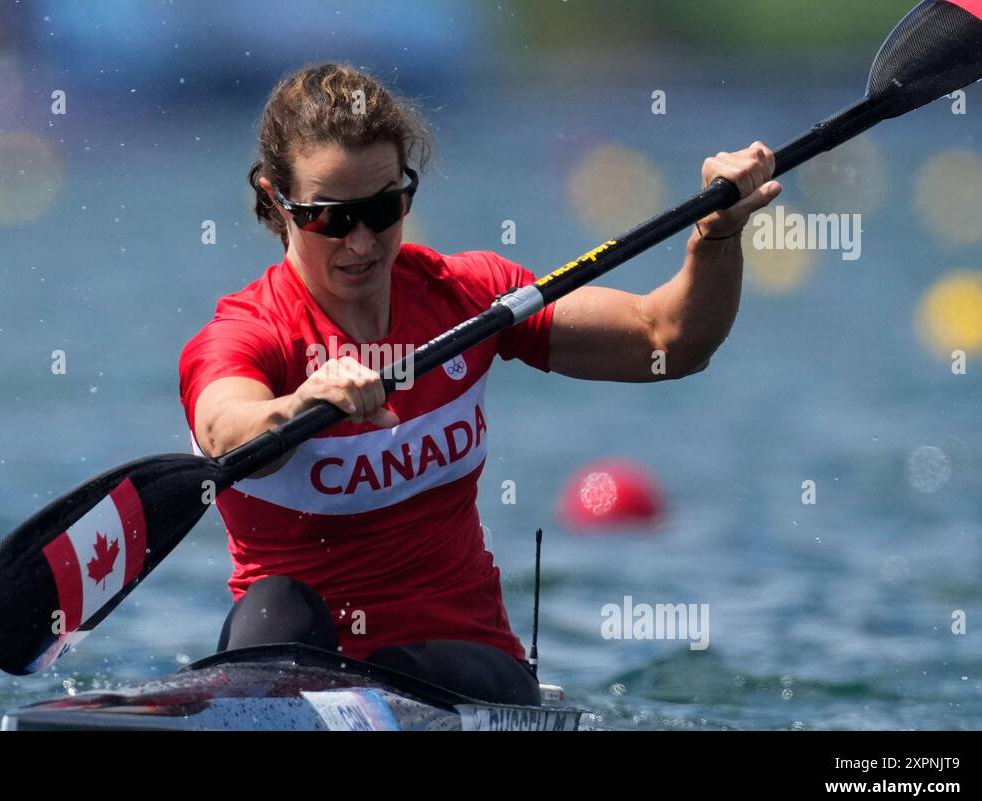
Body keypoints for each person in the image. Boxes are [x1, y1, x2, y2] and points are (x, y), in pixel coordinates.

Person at [178, 63, 780, 705]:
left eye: (382, 208)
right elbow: (223, 426)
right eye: (330, 217)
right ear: (278, 202)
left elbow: (667, 340)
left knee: (444, 672)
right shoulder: (247, 333)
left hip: (455, 667)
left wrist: (718, 235)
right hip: (298, 661)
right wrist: (301, 405)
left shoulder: (470, 299)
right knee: (278, 606)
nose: (361, 242)